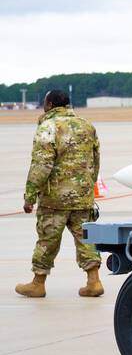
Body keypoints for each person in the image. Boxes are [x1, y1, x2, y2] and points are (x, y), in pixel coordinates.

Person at [16, 90, 104, 299]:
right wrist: (88, 187)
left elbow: (42, 164)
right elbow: (95, 159)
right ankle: (94, 281)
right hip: (82, 196)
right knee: (86, 238)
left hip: (55, 199)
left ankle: (38, 283)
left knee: (47, 240)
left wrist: (29, 196)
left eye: (44, 102)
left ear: (51, 104)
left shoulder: (48, 127)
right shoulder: (86, 125)